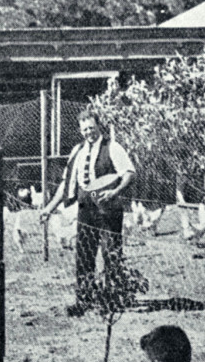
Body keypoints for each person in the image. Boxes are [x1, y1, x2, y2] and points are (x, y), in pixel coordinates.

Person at [40, 109, 136, 317]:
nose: (88, 133)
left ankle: (113, 300)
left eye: (91, 128)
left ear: (98, 126)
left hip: (108, 209)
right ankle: (83, 300)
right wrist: (49, 208)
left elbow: (129, 173)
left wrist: (115, 191)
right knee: (84, 255)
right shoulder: (77, 151)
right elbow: (66, 184)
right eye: (84, 129)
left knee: (111, 253)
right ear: (80, 130)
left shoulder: (113, 147)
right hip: (86, 210)